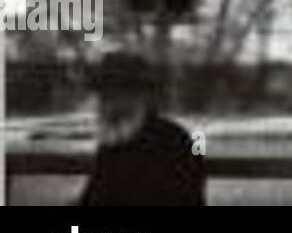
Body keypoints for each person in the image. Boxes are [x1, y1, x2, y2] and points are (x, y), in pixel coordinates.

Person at [80, 52, 205, 206]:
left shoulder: (176, 143)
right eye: (104, 96)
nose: (107, 104)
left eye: (116, 94)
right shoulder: (113, 141)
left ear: (141, 96)